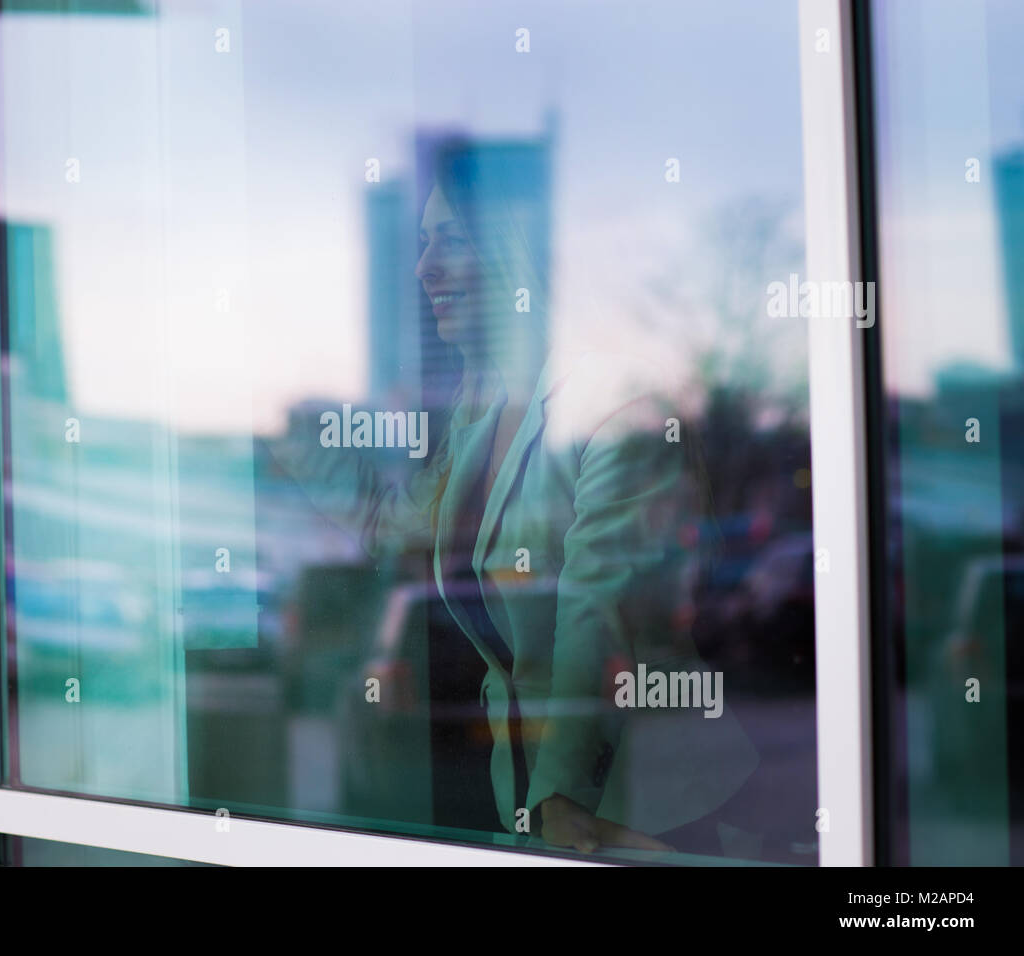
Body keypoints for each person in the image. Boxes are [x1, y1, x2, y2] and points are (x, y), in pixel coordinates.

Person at [277, 138, 759, 855]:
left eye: (451, 242)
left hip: (632, 807)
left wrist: (563, 802)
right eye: (421, 244)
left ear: (509, 258)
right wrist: (305, 456)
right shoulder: (479, 418)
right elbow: (402, 529)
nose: (424, 268)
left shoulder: (608, 404)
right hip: (524, 804)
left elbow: (596, 610)